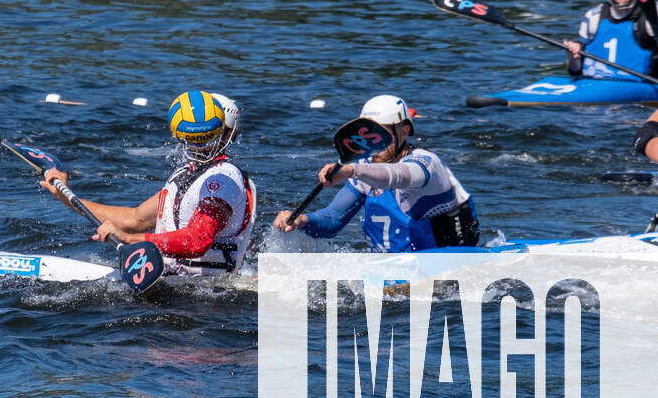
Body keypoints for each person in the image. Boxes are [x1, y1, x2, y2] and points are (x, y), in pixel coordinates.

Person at [41, 90, 256, 275]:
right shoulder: (186, 174)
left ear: (227, 132)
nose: (196, 142)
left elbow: (197, 240)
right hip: (171, 279)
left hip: (206, 295)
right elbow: (134, 219)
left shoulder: (223, 180)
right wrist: (67, 197)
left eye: (206, 134)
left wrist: (129, 239)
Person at [273, 95, 479, 252]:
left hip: (446, 262)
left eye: (382, 133)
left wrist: (351, 170)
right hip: (392, 270)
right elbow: (333, 220)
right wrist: (302, 220)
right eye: (370, 133)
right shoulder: (364, 169)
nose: (375, 142)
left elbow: (399, 175)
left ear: (404, 132)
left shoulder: (426, 162)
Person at [563, 0, 657, 80]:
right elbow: (575, 71)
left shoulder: (652, 14)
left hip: (641, 89)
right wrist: (575, 55)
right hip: (596, 85)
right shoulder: (593, 17)